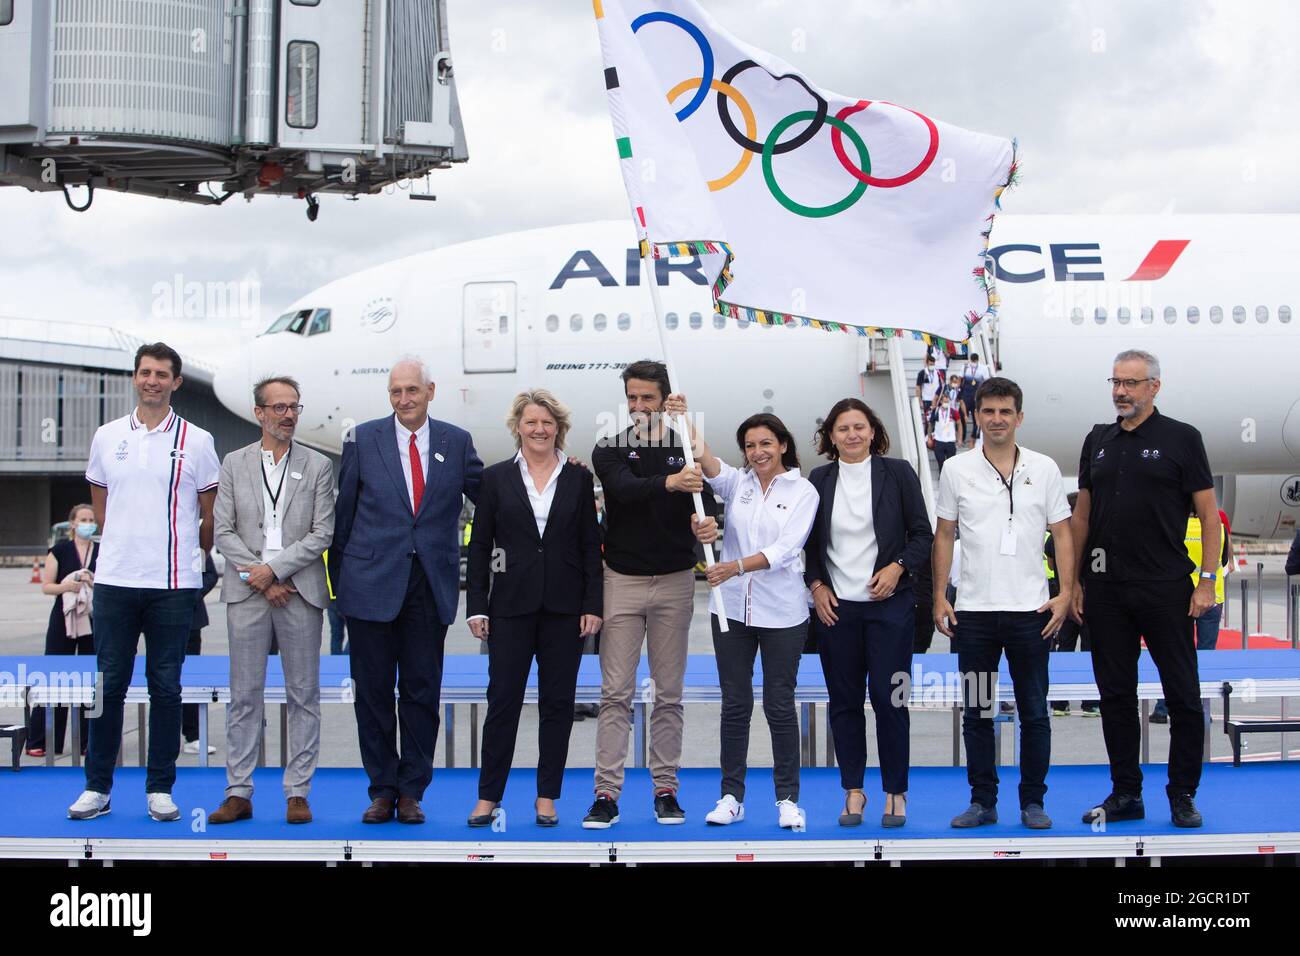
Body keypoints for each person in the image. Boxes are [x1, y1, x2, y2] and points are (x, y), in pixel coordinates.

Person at [68, 342, 220, 822]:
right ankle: (97, 788)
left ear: (176, 382)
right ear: (135, 378)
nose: (152, 380)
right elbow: (102, 503)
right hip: (115, 581)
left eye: (161, 374)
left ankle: (159, 788)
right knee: (108, 685)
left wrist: (179, 553)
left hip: (173, 583)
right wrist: (124, 546)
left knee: (166, 687)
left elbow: (208, 516)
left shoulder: (197, 440)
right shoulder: (107, 436)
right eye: (145, 372)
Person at [1071, 349, 1220, 829]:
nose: (1121, 391)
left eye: (1131, 383)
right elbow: (1082, 516)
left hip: (1166, 589)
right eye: (1115, 382)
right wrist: (1073, 581)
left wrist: (1208, 581)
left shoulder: (1182, 438)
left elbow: (1209, 517)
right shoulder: (1097, 439)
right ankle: (1126, 793)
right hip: (1107, 590)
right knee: (1114, 694)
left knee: (1183, 696)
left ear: (1154, 386)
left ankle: (1182, 794)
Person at [330, 357, 482, 824]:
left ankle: (412, 790)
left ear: (430, 391)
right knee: (372, 695)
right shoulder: (364, 439)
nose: (404, 399)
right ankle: (381, 789)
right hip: (369, 588)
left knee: (421, 693)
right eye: (396, 391)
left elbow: (490, 495)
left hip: (427, 588)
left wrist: (553, 464)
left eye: (412, 390)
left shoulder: (456, 442)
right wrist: (341, 589)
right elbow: (344, 517)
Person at [933, 377, 1074, 830]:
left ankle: (1033, 801)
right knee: (977, 713)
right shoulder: (956, 469)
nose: (996, 419)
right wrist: (939, 594)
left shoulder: (1045, 468)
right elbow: (944, 534)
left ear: (1019, 417)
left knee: (1034, 712)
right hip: (973, 615)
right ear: (975, 415)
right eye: (988, 411)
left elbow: (1064, 533)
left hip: (1031, 614)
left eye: (1005, 411)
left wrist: (1066, 593)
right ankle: (982, 802)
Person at [583, 360, 714, 829]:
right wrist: (671, 482)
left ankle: (666, 789)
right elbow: (625, 490)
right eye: (632, 398)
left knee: (669, 694)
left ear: (665, 398)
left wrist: (708, 522)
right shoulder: (610, 448)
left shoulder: (686, 444)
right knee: (615, 693)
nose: (639, 406)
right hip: (622, 580)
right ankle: (606, 794)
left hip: (677, 581)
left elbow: (709, 500)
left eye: (648, 398)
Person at [465, 390, 603, 828]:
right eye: (531, 422)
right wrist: (477, 606)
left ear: (558, 428)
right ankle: (488, 797)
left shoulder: (579, 478)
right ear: (518, 428)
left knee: (557, 705)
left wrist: (592, 604)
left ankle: (547, 797)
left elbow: (589, 546)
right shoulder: (495, 479)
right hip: (509, 607)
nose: (539, 429)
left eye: (547, 422)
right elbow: (481, 544)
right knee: (502, 702)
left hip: (565, 610)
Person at [208, 376, 335, 826]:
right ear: (259, 412)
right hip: (247, 592)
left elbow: (323, 531)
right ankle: (238, 790)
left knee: (304, 694)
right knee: (245, 695)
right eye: (278, 407)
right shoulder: (234, 463)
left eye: (293, 407)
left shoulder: (318, 465)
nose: (287, 415)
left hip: (299, 590)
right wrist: (259, 575)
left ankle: (298, 791)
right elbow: (223, 530)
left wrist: (277, 570)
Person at [685, 407, 819, 829]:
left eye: (766, 444)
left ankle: (787, 799)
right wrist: (681, 413)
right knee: (735, 705)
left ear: (782, 445)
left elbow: (785, 551)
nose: (758, 452)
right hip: (730, 612)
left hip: (782, 614)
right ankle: (731, 797)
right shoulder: (737, 483)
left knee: (779, 705)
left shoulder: (804, 491)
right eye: (750, 446)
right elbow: (701, 454)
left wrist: (735, 566)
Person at [804, 398, 932, 828]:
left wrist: (898, 569)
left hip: (889, 609)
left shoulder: (897, 474)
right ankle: (853, 791)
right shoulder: (819, 479)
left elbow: (921, 535)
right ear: (831, 437)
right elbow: (806, 545)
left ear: (873, 431)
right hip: (837, 611)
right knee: (844, 702)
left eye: (860, 426)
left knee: (889, 698)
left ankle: (896, 792)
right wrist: (817, 585)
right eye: (843, 429)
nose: (852, 435)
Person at [27, 504, 99, 758]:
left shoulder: (102, 551)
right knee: (54, 676)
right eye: (83, 519)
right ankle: (43, 739)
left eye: (91, 519)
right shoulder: (59, 551)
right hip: (63, 618)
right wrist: (66, 586)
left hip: (92, 620)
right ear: (72, 524)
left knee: (92, 680)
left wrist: (92, 583)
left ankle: (90, 740)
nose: (88, 523)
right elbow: (47, 586)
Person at [1151, 509, 1233, 722]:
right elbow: (1223, 562)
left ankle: (1162, 708)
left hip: (1180, 597)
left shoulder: (1174, 528)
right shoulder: (1219, 529)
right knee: (1206, 654)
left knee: (1172, 654)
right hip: (1212, 597)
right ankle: (1203, 709)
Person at [1048, 492, 1099, 717]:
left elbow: (1051, 563)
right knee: (1091, 651)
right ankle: (1090, 701)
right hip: (1091, 600)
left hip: (1064, 600)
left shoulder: (1057, 537)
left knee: (1064, 649)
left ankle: (1060, 701)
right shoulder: (1096, 535)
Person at [181, 552, 219, 755]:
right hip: (157, 619)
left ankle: (192, 735)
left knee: (190, 677)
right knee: (160, 678)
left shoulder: (194, 543)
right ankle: (164, 738)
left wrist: (187, 596)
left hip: (190, 618)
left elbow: (210, 575)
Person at [928, 390, 964, 474]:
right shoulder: (936, 411)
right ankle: (942, 479)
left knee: (950, 464)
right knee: (941, 462)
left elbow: (959, 425)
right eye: (944, 401)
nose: (946, 403)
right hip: (939, 440)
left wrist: (960, 439)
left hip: (950, 441)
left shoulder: (953, 412)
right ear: (940, 401)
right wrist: (929, 438)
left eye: (948, 402)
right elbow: (930, 425)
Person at [959, 353, 991, 446]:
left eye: (974, 361)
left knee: (976, 418)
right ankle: (963, 437)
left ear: (977, 360)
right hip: (965, 395)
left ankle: (973, 437)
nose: (973, 363)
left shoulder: (983, 368)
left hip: (977, 397)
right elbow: (960, 379)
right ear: (970, 360)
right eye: (972, 361)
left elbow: (987, 381)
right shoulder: (965, 367)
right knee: (962, 417)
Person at [915, 354, 942, 430]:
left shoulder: (938, 373)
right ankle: (927, 436)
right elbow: (918, 387)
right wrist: (919, 400)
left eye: (933, 364)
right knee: (928, 420)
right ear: (926, 363)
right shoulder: (922, 373)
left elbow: (941, 386)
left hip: (937, 400)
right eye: (930, 364)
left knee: (937, 419)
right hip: (927, 399)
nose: (932, 366)